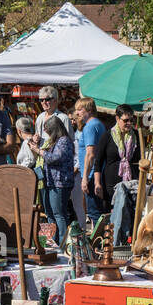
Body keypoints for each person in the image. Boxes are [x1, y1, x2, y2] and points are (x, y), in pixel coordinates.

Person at [93, 105, 140, 208]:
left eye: (132, 120)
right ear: (117, 119)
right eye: (126, 120)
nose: (129, 123)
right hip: (111, 185)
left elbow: (140, 159)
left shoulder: (137, 136)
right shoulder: (107, 136)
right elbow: (98, 163)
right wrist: (97, 183)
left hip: (132, 184)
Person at [40, 115, 76, 244]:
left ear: (54, 129)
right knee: (50, 213)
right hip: (51, 181)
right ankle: (53, 241)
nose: (46, 132)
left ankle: (63, 243)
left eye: (47, 129)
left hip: (60, 183)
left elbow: (55, 158)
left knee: (59, 214)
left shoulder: (64, 140)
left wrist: (40, 152)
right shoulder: (54, 141)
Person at [73, 97, 107, 217]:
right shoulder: (98, 124)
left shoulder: (90, 127)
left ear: (89, 110)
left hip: (92, 175)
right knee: (99, 212)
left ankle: (98, 236)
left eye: (80, 109)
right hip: (97, 173)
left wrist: (85, 178)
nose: (77, 113)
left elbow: (90, 154)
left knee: (94, 213)